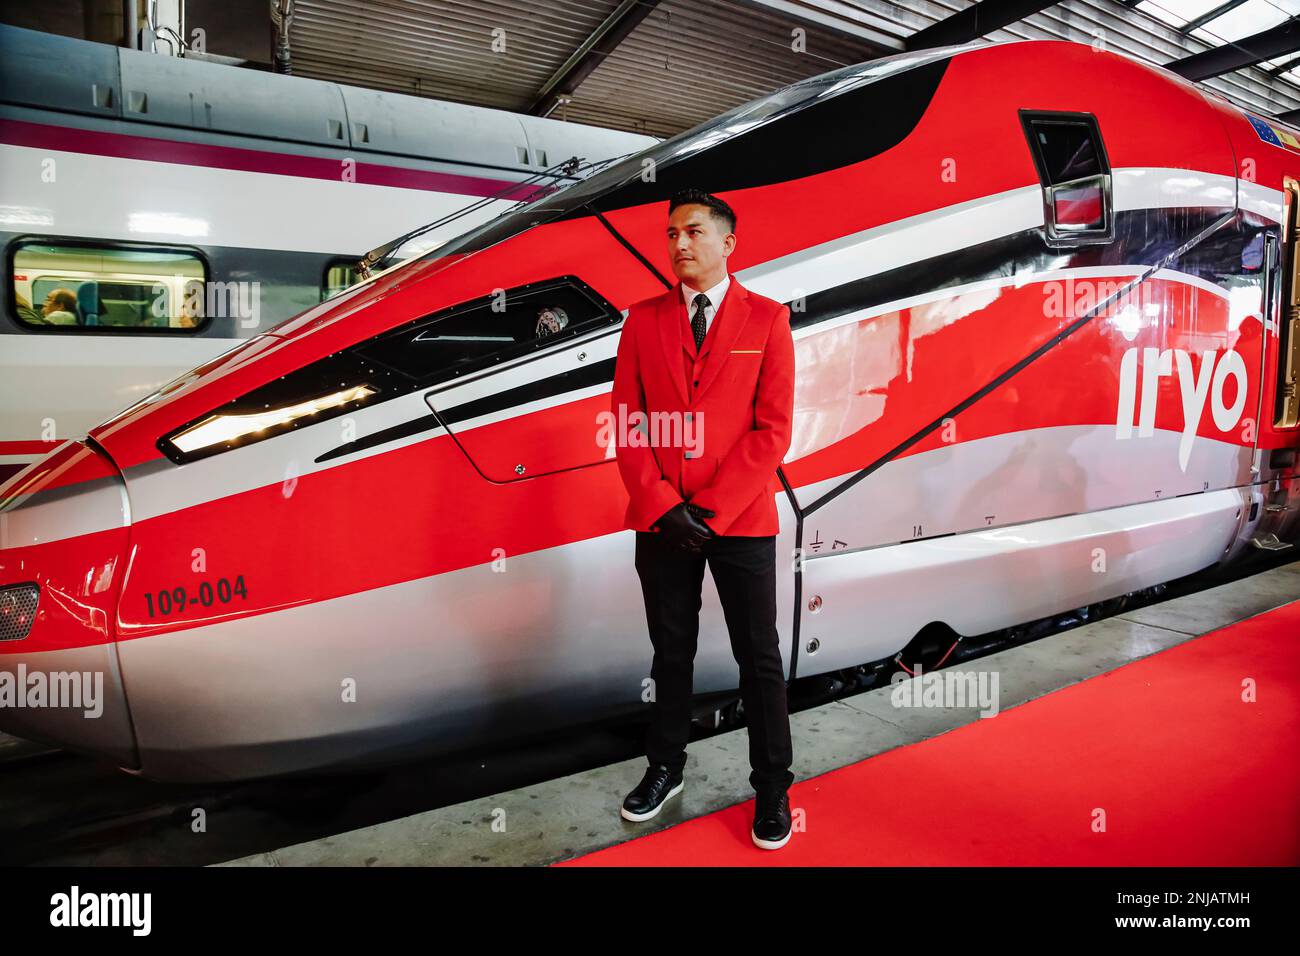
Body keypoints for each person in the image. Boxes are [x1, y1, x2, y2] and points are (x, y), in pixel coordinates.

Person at [609, 187, 797, 850]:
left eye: (692, 231)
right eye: (670, 234)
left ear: (728, 242)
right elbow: (628, 425)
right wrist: (664, 504)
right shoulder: (642, 320)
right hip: (661, 523)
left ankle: (772, 787)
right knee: (671, 652)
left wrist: (710, 511)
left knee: (760, 658)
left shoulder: (768, 320)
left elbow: (772, 433)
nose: (679, 244)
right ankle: (666, 767)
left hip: (741, 521)